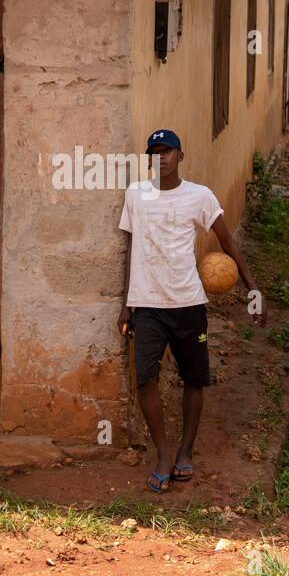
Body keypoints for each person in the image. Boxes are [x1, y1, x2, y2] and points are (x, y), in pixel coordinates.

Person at [117, 128, 264, 493]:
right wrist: (126, 305)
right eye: (155, 152)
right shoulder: (136, 195)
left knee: (194, 379)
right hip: (148, 305)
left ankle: (185, 449)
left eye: (168, 151)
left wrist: (254, 288)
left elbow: (227, 241)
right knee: (145, 379)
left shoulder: (199, 196)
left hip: (188, 304)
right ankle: (163, 453)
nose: (161, 157)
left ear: (180, 157)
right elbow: (131, 249)